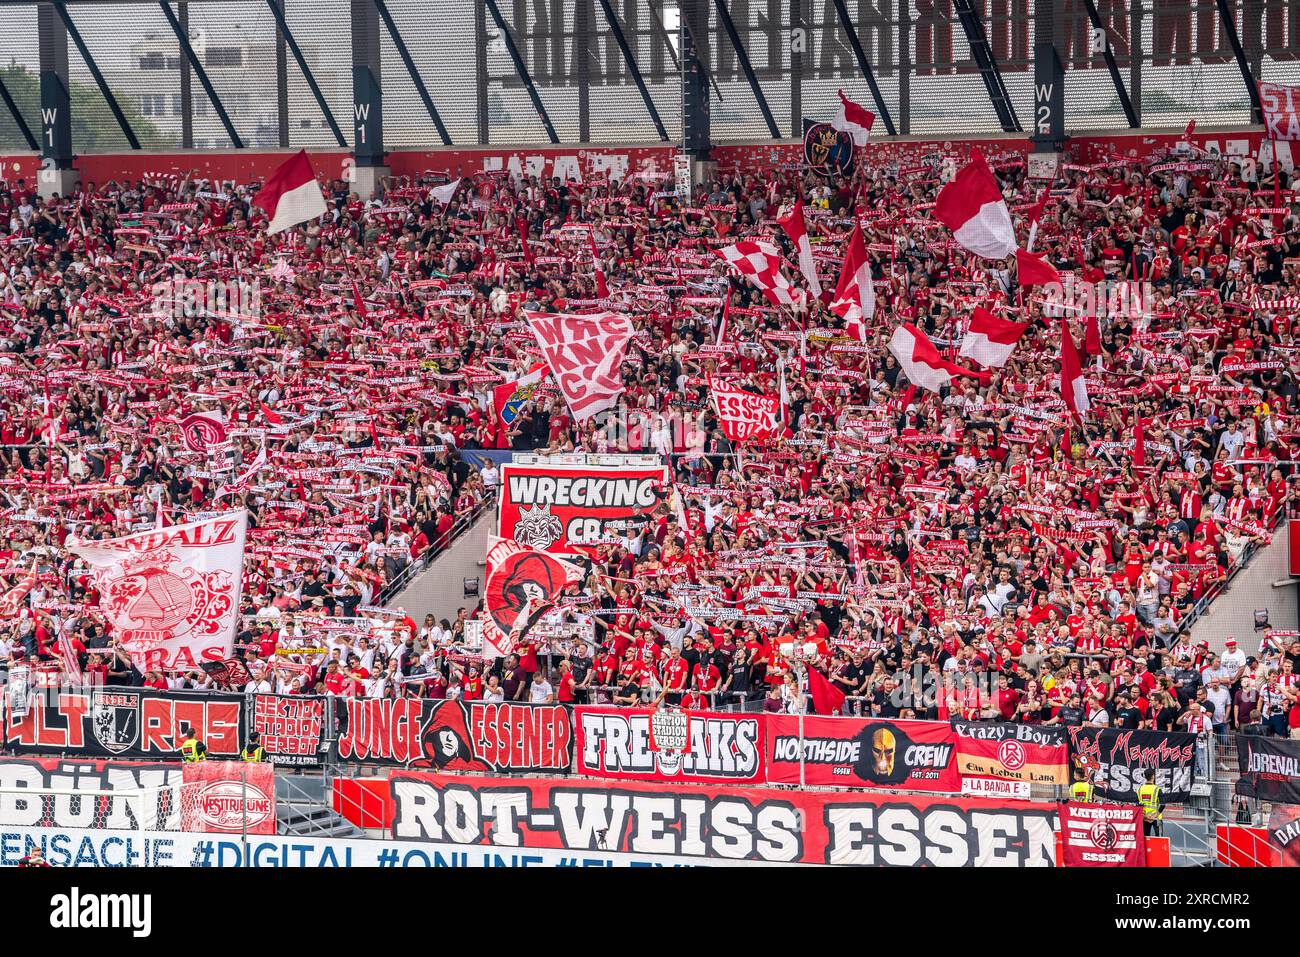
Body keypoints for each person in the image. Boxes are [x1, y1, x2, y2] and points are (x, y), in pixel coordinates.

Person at [1137, 769, 1163, 836]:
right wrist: (1155, 815)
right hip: (1156, 818)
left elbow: (1138, 805)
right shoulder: (1157, 789)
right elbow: (1163, 804)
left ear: (1145, 777)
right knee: (1159, 839)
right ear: (1153, 776)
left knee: (1145, 839)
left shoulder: (1139, 789)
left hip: (1144, 818)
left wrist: (1145, 816)